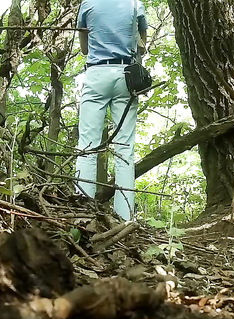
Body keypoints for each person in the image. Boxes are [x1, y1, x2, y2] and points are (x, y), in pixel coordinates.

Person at [76, 0, 148, 221]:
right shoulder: (136, 4)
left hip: (97, 73)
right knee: (125, 149)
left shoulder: (87, 4)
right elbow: (142, 45)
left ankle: (82, 214)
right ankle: (124, 218)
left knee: (87, 146)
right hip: (126, 75)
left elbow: (84, 48)